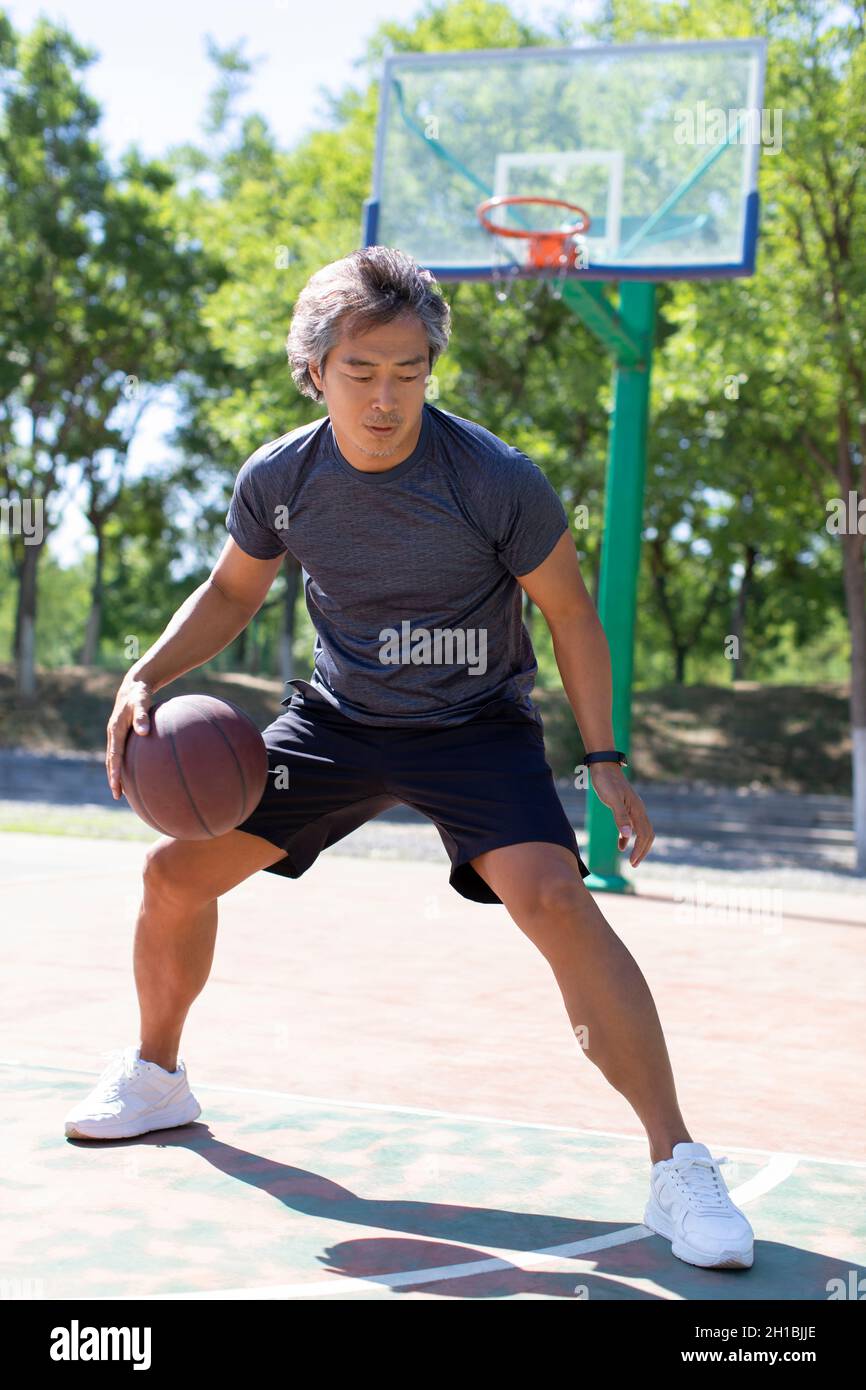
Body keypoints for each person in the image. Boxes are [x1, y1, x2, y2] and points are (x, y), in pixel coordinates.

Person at [65, 246, 753, 1271]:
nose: (387, 397)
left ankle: (676, 1164)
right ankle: (158, 1077)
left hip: (475, 725)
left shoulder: (492, 478)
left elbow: (568, 615)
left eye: (408, 372)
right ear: (314, 371)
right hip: (340, 723)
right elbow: (230, 594)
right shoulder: (282, 477)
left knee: (555, 898)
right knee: (172, 873)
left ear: (430, 368)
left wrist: (603, 756)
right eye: (361, 372)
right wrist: (143, 674)